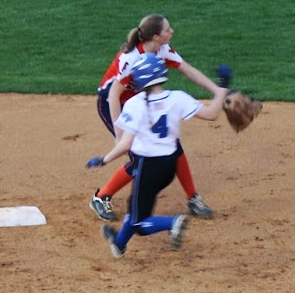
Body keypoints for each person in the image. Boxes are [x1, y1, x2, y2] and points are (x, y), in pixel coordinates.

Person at [86, 54, 229, 258]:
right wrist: (223, 85)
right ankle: (118, 244)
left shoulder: (135, 104)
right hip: (169, 167)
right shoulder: (178, 97)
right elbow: (212, 113)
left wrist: (104, 159)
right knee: (136, 207)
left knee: (140, 223)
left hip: (147, 168)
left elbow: (126, 143)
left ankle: (172, 223)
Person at [89, 14, 228, 222]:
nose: (172, 32)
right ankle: (101, 197)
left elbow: (188, 70)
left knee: (172, 144)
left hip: (142, 100)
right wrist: (119, 134)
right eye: (167, 30)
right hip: (114, 104)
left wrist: (216, 89)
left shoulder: (162, 50)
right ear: (156, 36)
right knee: (139, 158)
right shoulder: (131, 58)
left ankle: (193, 198)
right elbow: (113, 95)